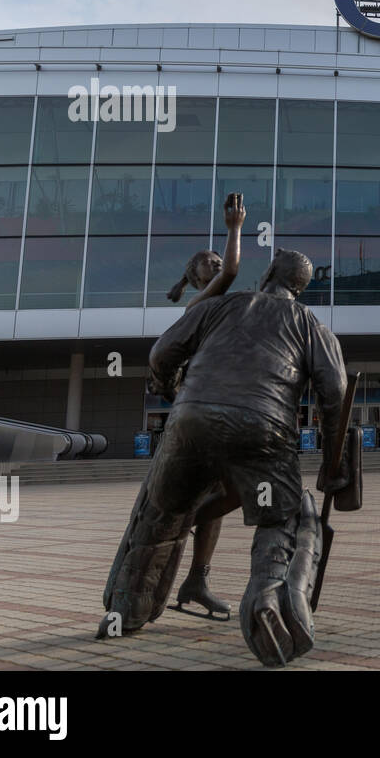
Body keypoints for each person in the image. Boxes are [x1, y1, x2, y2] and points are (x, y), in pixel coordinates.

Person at [100, 249, 349, 668]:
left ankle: (126, 610)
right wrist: (333, 459)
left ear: (267, 273)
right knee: (281, 518)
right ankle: (267, 599)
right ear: (301, 288)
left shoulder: (218, 307)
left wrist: (170, 389)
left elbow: (161, 353)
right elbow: (335, 392)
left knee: (161, 514)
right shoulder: (311, 326)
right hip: (262, 431)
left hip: (191, 422)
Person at [155, 192, 246, 619]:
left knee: (224, 494)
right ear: (195, 277)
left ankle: (197, 578)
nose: (214, 263)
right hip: (205, 414)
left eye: (214, 257)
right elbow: (231, 271)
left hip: (224, 408)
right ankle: (176, 534)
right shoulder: (200, 304)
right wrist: (234, 229)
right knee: (232, 487)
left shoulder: (223, 309)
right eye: (205, 262)